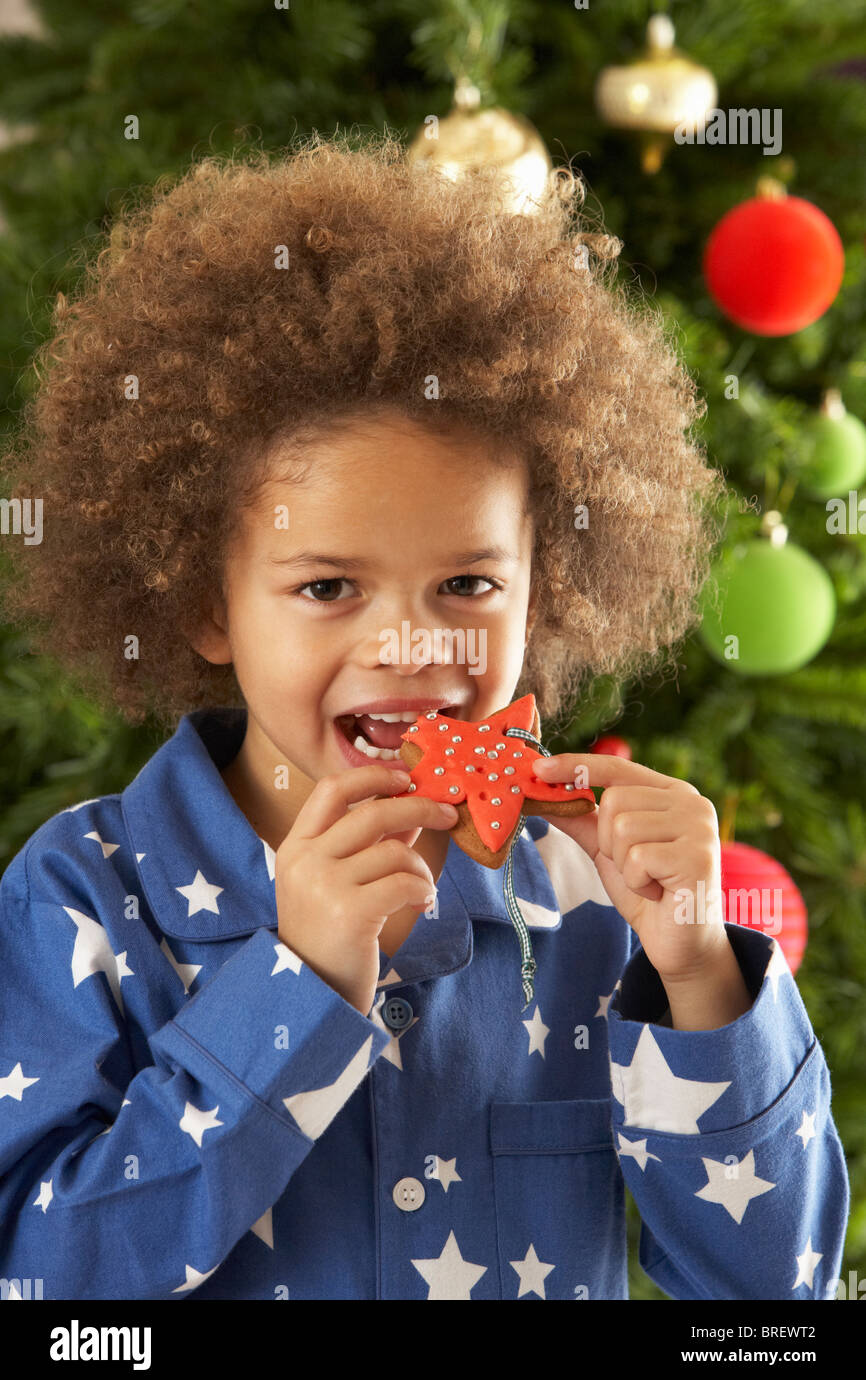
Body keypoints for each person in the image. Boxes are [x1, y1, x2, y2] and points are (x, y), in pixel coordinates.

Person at [0, 131, 849, 1300]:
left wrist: (699, 974)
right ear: (205, 602)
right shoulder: (86, 894)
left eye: (467, 584)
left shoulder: (599, 910)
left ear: (542, 588)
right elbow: (44, 1290)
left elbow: (770, 1302)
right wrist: (291, 987)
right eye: (326, 587)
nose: (408, 647)